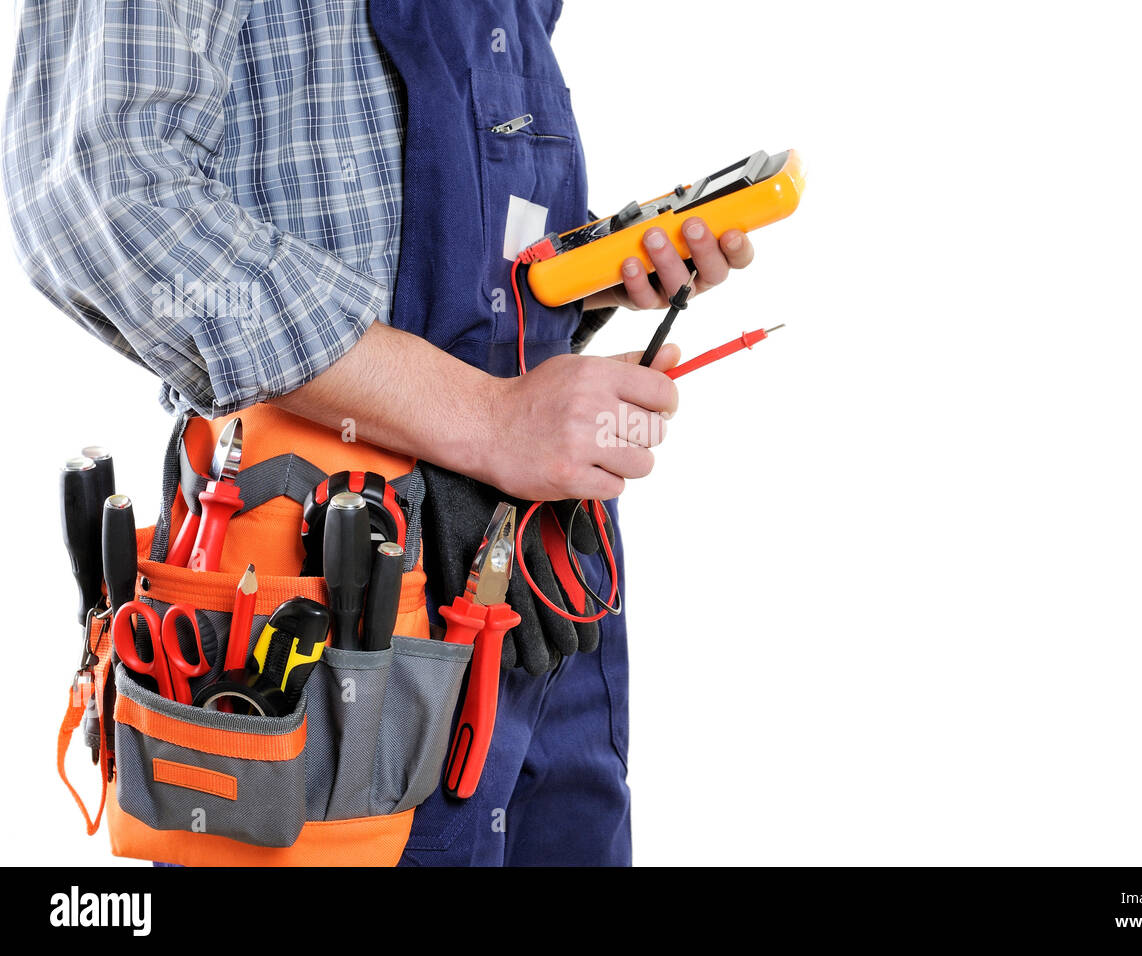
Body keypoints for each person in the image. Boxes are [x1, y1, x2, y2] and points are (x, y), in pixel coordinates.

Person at [4, 0, 755, 865]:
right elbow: (100, 193)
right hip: (311, 572)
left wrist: (565, 289)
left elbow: (387, 202)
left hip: (542, 574)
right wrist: (481, 417)